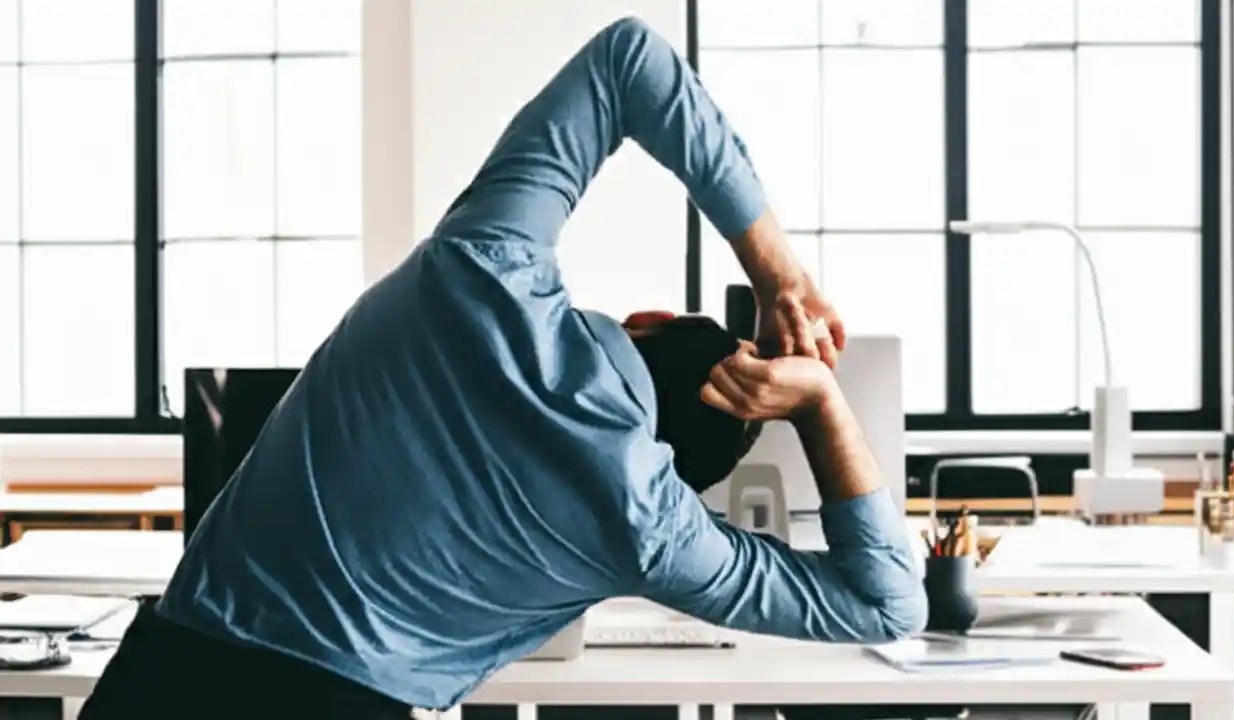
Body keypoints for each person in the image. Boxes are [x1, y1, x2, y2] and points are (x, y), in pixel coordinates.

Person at [79, 17, 925, 719]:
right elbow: (889, 605)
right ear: (687, 467)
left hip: (168, 675)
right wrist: (819, 404)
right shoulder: (654, 529)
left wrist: (778, 274)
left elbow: (631, 59)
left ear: (647, 321)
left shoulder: (482, 266)